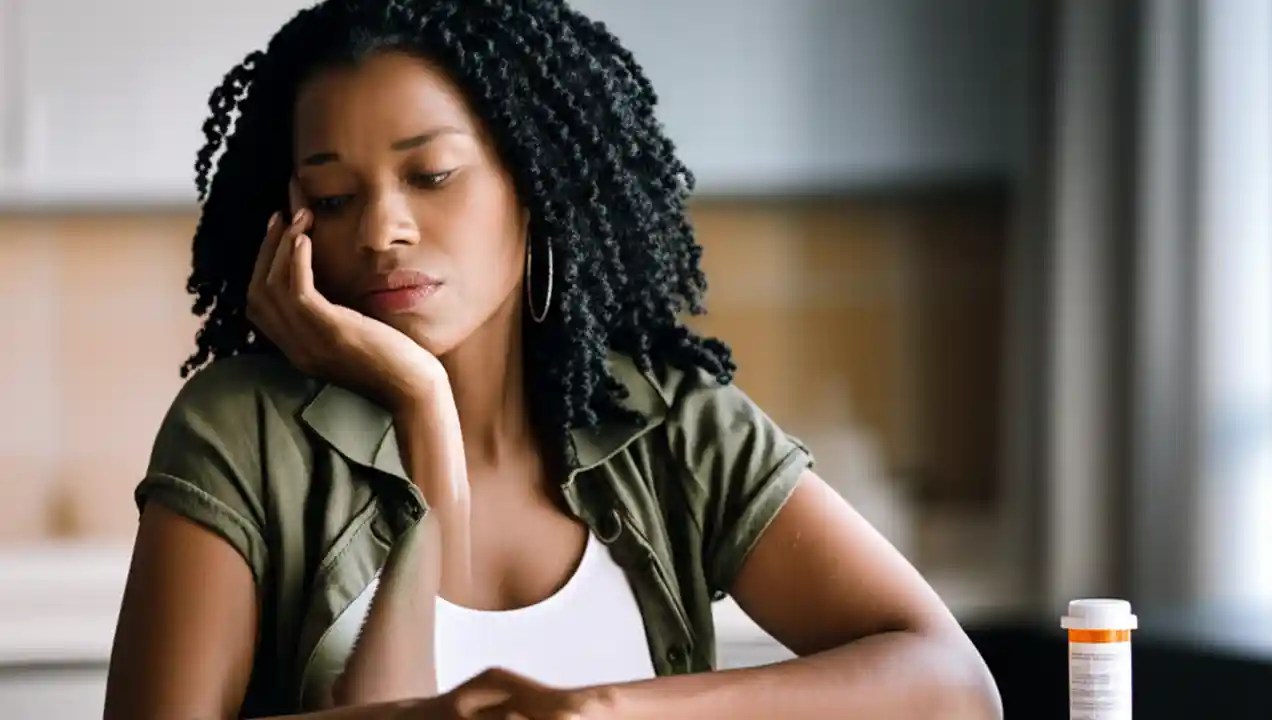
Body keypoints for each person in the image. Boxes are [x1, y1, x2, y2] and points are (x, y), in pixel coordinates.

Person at [104, 1, 1001, 718]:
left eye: (432, 175)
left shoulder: (668, 424)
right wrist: (423, 411)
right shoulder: (241, 432)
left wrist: (606, 709)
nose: (381, 230)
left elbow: (952, 688)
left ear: (534, 185)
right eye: (334, 197)